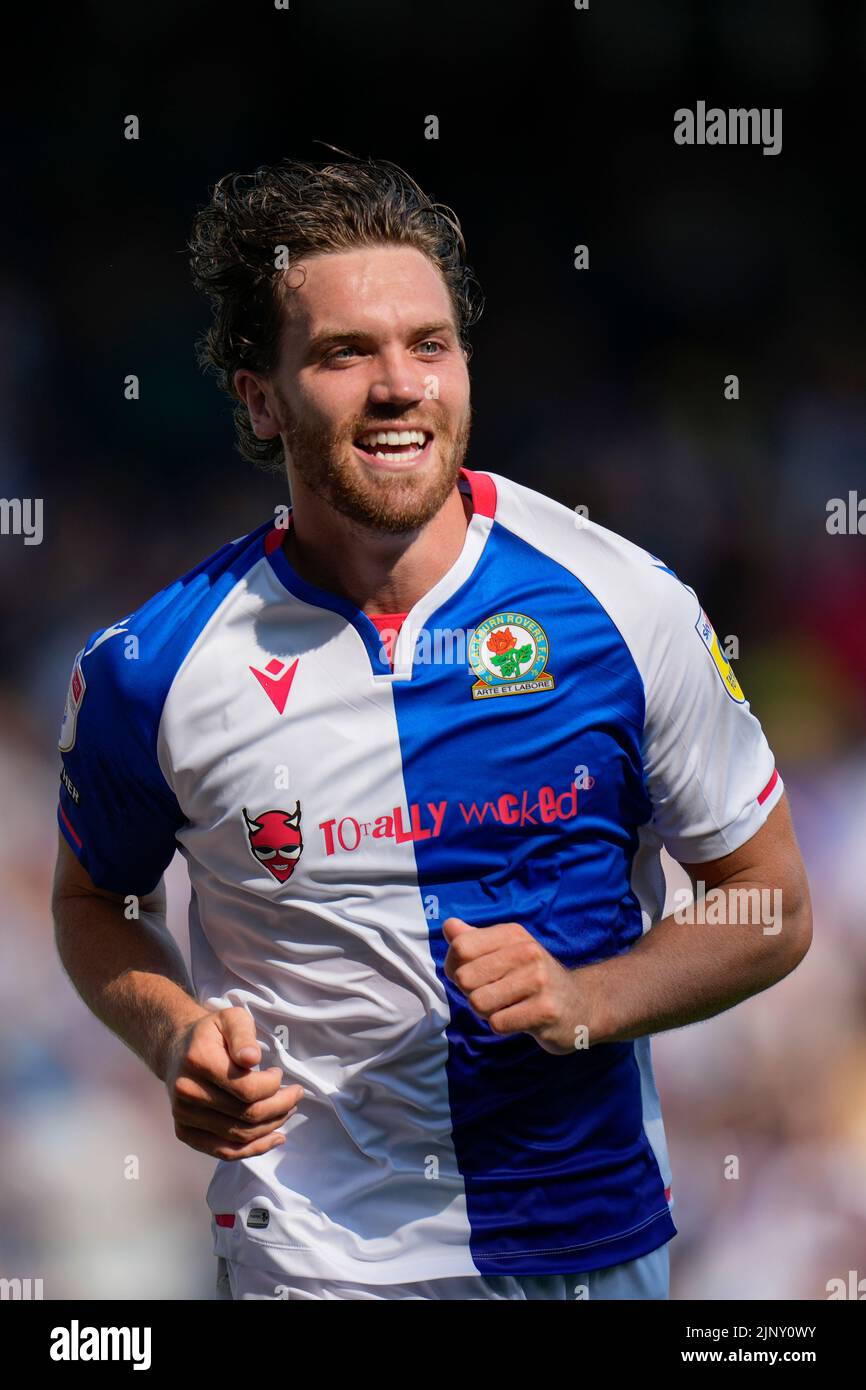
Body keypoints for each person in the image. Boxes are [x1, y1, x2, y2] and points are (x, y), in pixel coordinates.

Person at [52, 155, 812, 1301]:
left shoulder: (620, 603)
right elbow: (90, 900)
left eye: (428, 343)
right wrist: (170, 1035)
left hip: (584, 1245)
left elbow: (772, 903)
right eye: (343, 353)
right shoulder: (153, 668)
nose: (399, 385)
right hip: (306, 1265)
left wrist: (589, 997)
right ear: (260, 398)